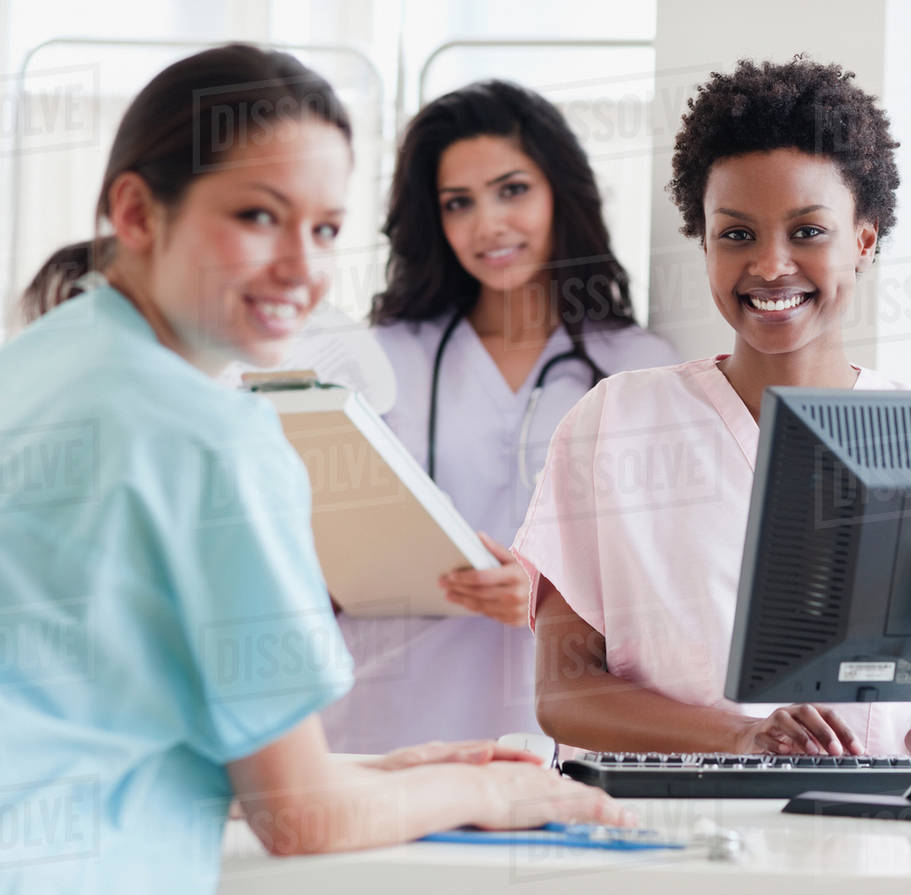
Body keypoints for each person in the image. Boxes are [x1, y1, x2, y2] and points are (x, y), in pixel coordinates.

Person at [0, 45, 626, 895]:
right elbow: (302, 816)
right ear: (139, 214)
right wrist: (496, 787)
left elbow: (110, 728)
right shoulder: (217, 436)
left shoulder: (30, 371)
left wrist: (397, 770)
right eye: (259, 215)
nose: (303, 268)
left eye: (326, 228)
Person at [513, 57, 911, 757]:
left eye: (808, 231)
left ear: (864, 241)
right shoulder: (613, 425)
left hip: (874, 844)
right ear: (705, 240)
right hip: (664, 840)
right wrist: (744, 735)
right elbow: (563, 693)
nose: (771, 265)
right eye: (737, 234)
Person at [321, 80, 677, 752]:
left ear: (558, 193)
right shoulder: (384, 358)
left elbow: (668, 572)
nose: (487, 224)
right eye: (459, 203)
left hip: (555, 730)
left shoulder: (636, 366)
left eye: (512, 189)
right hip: (393, 718)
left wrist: (547, 596)